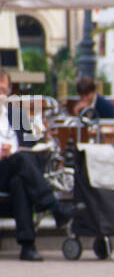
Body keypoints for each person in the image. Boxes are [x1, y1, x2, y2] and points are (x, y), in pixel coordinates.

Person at [0, 68, 69, 260]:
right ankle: (54, 206)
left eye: (4, 91)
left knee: (19, 181)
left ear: (10, 92)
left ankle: (27, 246)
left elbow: (32, 146)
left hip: (17, 172)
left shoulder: (18, 116)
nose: (1, 95)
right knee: (21, 160)